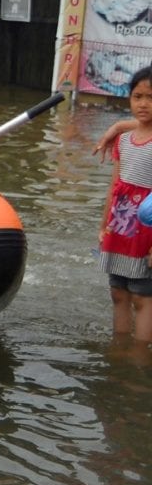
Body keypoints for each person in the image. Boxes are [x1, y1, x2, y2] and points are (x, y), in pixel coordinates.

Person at [99, 65, 152, 345]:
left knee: (143, 297)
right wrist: (103, 225)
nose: (143, 104)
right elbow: (115, 185)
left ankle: (140, 354)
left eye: (151, 98)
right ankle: (119, 349)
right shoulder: (124, 141)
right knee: (118, 292)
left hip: (147, 230)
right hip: (121, 225)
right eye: (138, 96)